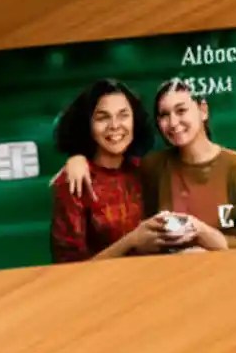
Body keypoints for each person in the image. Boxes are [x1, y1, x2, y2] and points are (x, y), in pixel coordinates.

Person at [61, 77, 236, 250]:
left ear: (203, 110)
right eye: (164, 115)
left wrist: (201, 235)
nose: (173, 122)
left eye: (181, 110)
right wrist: (77, 159)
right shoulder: (152, 166)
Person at [50, 79, 193, 262]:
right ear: (87, 125)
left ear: (135, 120)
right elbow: (68, 271)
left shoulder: (144, 169)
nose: (115, 125)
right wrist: (131, 242)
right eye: (103, 117)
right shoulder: (75, 180)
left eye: (123, 115)